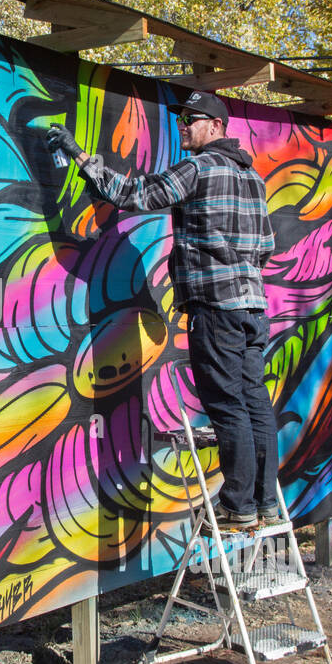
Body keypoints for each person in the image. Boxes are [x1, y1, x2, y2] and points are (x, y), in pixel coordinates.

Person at [46, 90, 279, 530]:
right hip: (253, 307)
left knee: (227, 405)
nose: (183, 126)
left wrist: (79, 156)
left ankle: (238, 507)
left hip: (216, 308)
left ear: (216, 126)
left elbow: (133, 193)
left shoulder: (198, 168)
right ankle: (264, 502)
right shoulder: (254, 179)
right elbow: (266, 247)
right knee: (254, 403)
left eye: (192, 119)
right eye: (181, 119)